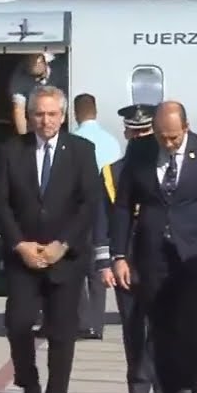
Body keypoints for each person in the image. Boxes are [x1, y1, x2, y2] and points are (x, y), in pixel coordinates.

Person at [111, 101, 197, 393]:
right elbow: (123, 206)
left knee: (188, 319)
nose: (168, 144)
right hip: (152, 252)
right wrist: (119, 255)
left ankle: (189, 383)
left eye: (174, 138)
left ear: (186, 127)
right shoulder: (139, 152)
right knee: (161, 325)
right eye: (163, 137)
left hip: (194, 253)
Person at [0, 85, 100, 393]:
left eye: (52, 114)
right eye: (39, 113)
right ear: (29, 115)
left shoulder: (81, 151)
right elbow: (1, 203)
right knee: (18, 323)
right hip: (24, 256)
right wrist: (20, 244)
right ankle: (29, 383)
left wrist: (63, 244)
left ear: (63, 116)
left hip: (65, 258)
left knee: (62, 333)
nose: (45, 120)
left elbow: (89, 203)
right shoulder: (11, 151)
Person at [93, 104, 161, 393]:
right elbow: (102, 220)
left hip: (162, 259)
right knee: (133, 325)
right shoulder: (111, 173)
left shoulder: (166, 167)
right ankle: (138, 386)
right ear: (126, 135)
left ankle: (164, 386)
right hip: (127, 261)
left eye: (145, 132)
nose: (140, 138)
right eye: (135, 133)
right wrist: (105, 262)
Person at [70, 93, 122, 340]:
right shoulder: (112, 141)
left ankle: (81, 321)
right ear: (96, 111)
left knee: (77, 269)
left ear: (75, 113)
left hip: (78, 211)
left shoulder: (72, 140)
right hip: (105, 211)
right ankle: (97, 324)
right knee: (100, 267)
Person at [9, 54, 66, 136]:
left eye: (40, 77)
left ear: (45, 62)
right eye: (32, 77)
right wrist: (25, 139)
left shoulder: (59, 67)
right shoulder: (18, 78)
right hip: (36, 114)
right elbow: (18, 111)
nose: (37, 80)